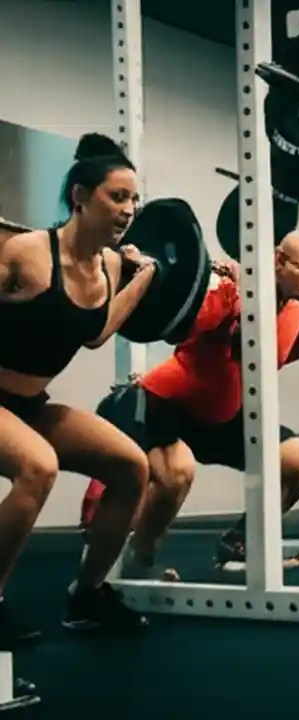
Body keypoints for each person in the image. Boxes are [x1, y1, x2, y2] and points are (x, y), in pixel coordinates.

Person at [77, 231, 299, 579]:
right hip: (166, 404)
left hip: (219, 418)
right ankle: (130, 561)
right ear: (277, 260)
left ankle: (241, 542)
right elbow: (182, 326)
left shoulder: (293, 308)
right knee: (174, 476)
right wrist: (204, 286)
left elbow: (279, 353)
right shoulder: (231, 288)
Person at [0, 134, 158, 644]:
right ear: (80, 197)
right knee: (37, 466)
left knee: (132, 468)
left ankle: (87, 595)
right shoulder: (26, 253)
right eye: (117, 197)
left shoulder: (111, 265)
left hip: (31, 405)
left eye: (134, 199)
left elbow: (93, 334)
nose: (129, 209)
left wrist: (144, 278)